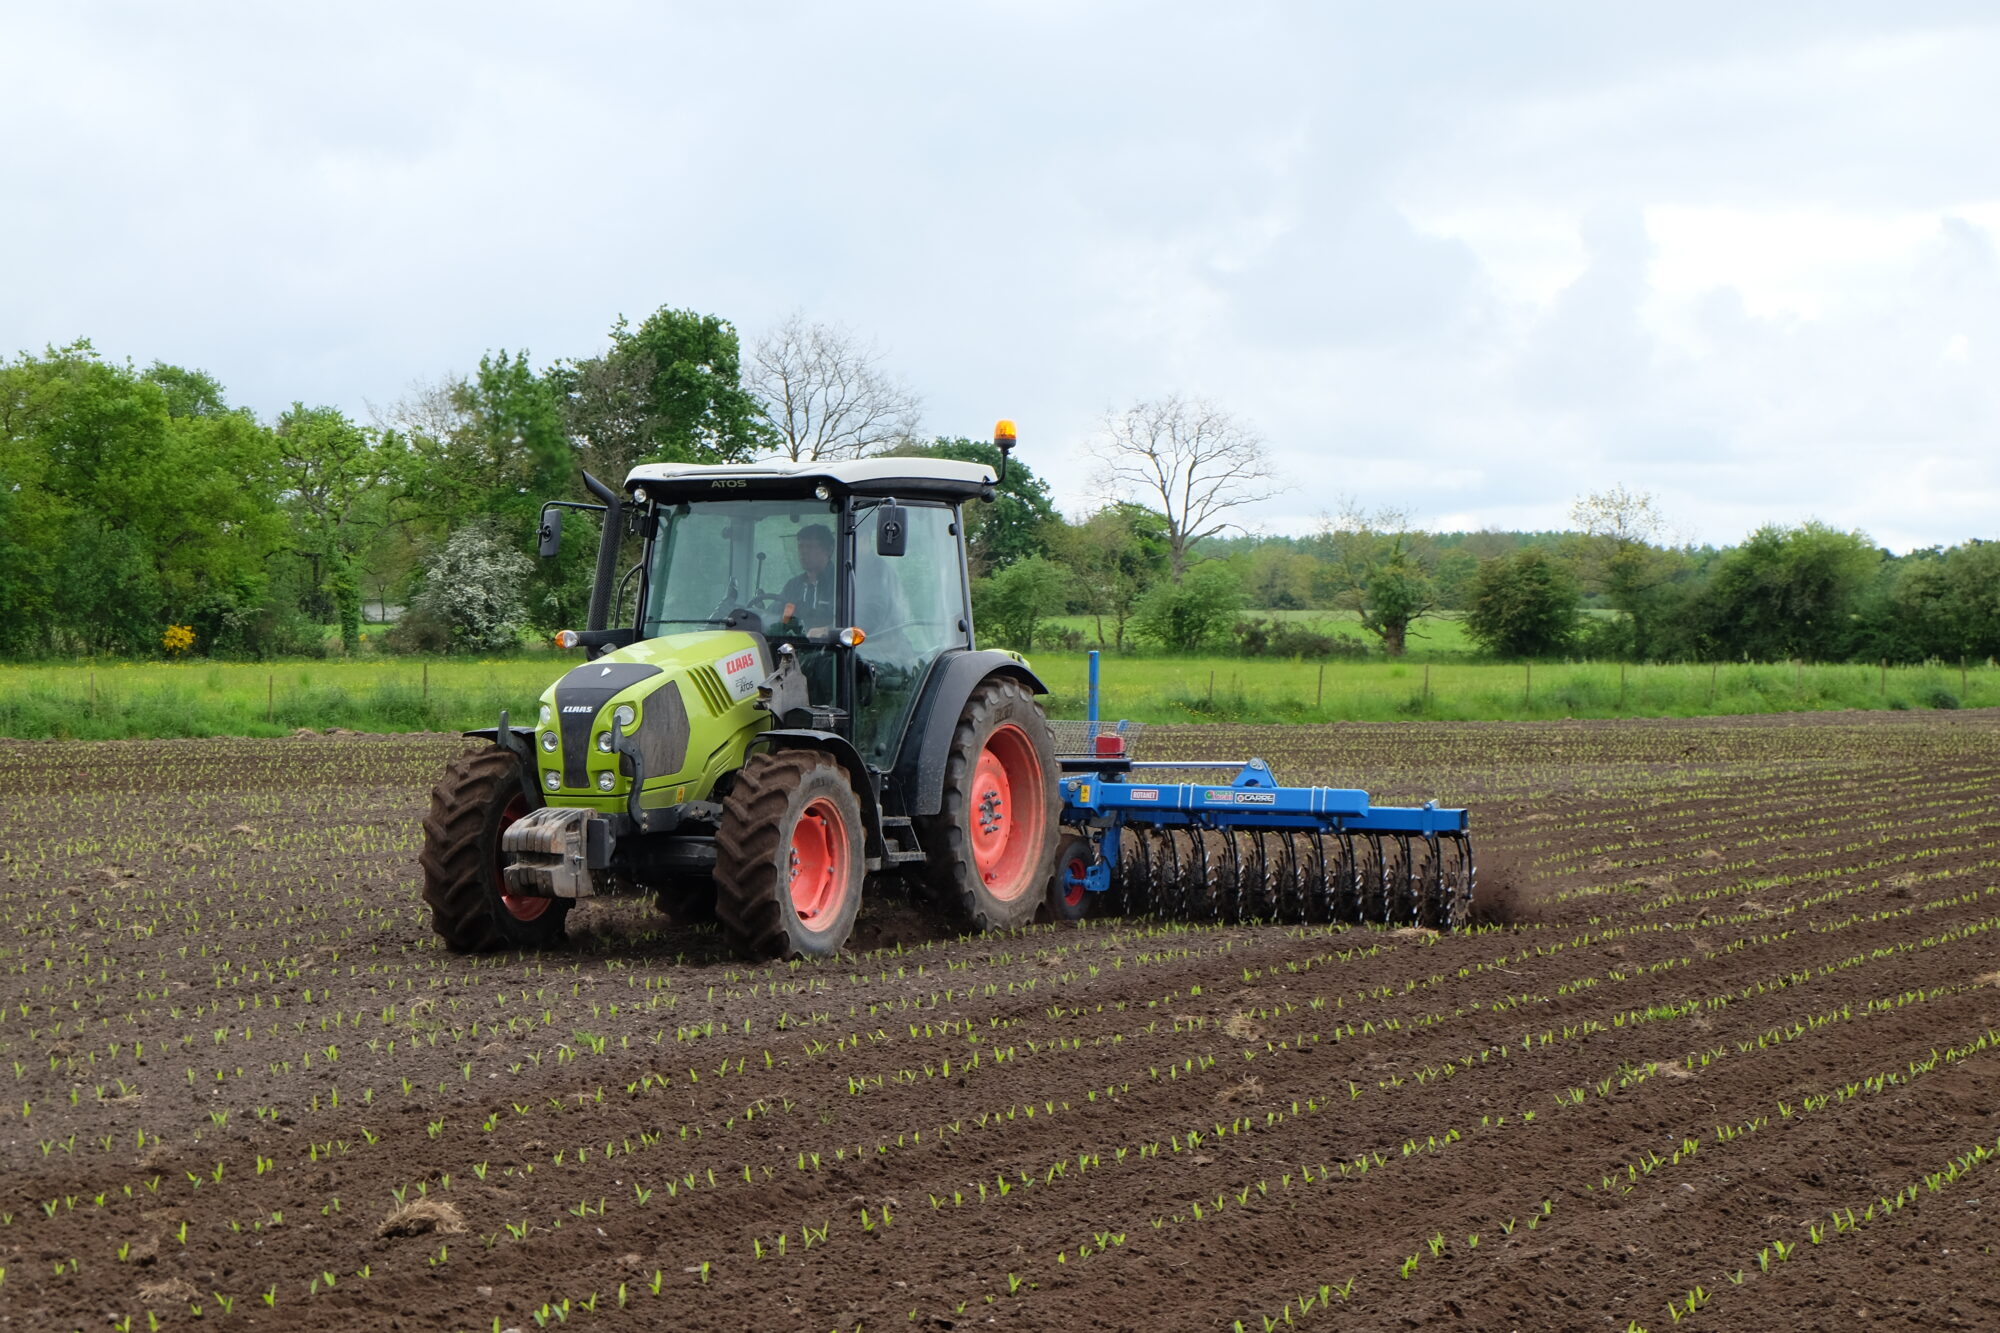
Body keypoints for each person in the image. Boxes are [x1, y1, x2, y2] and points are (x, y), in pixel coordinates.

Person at [780, 523, 836, 634]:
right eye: (801, 546)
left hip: (830, 647)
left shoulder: (839, 584)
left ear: (828, 550)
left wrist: (828, 630)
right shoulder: (793, 586)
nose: (803, 552)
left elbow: (854, 622)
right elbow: (781, 616)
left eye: (810, 547)